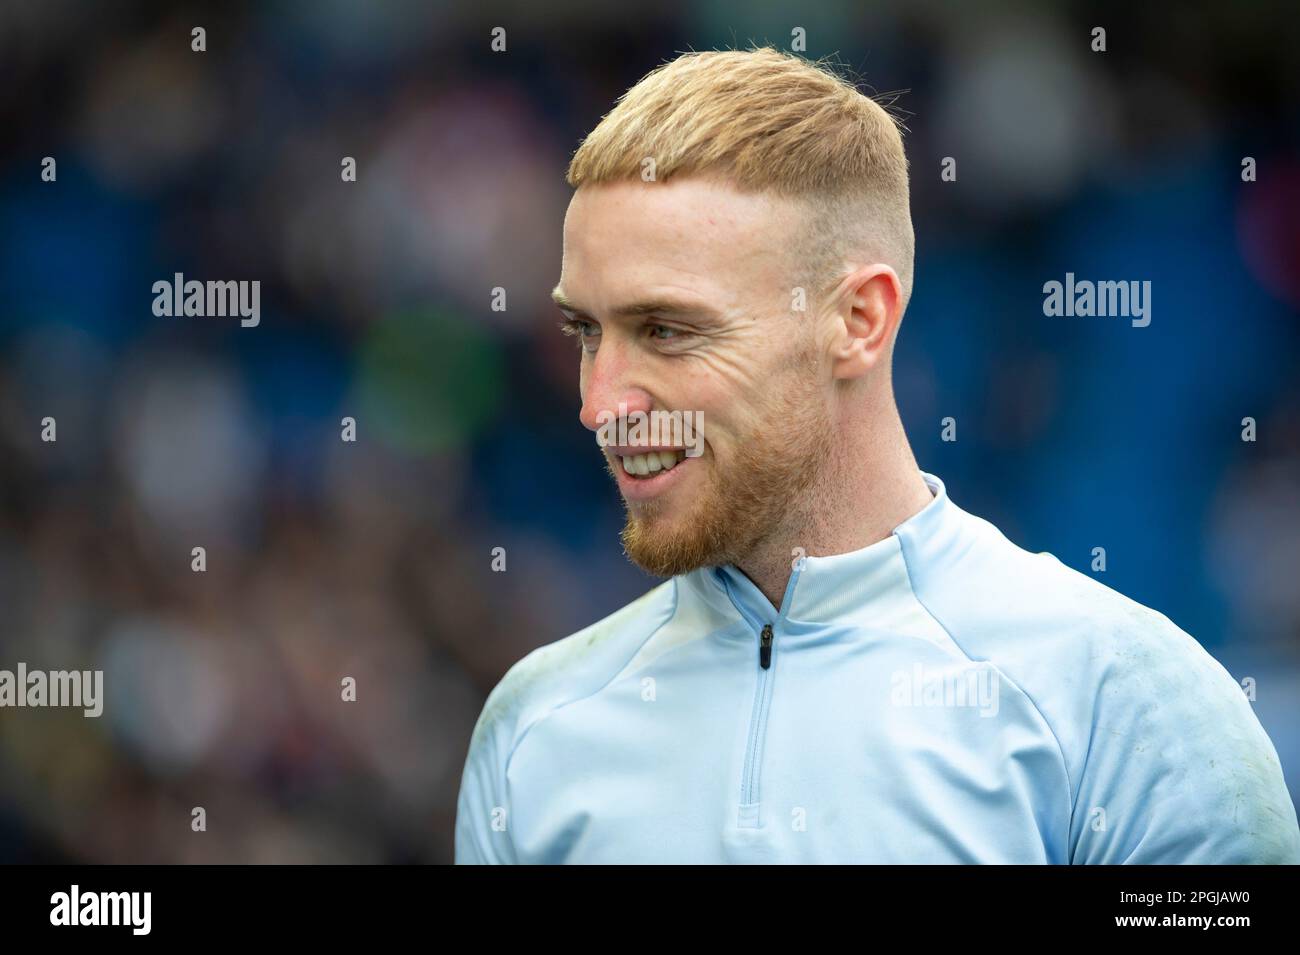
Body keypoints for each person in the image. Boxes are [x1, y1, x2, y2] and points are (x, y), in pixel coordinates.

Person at [454, 47, 1300, 863]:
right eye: (585, 331)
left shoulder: (1129, 709)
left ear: (859, 320)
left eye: (667, 330)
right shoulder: (534, 729)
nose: (600, 404)